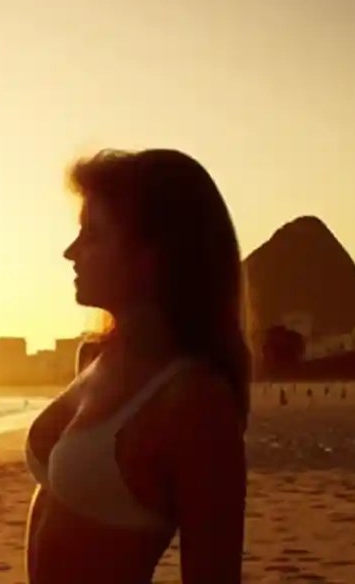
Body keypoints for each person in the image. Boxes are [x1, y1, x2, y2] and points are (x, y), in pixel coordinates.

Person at [24, 149, 249, 584]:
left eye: (92, 235)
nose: (71, 251)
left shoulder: (196, 403)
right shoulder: (94, 358)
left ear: (153, 255)